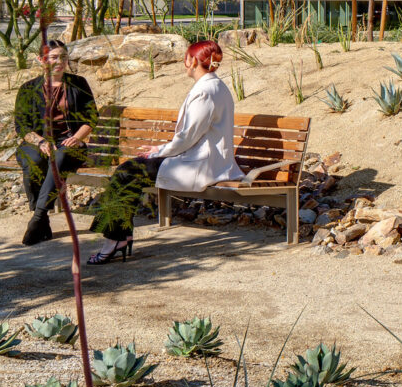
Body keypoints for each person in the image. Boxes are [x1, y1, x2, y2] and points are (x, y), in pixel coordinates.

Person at [87, 40, 242, 264]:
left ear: (194, 61)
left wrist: (158, 150)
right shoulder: (216, 86)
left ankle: (114, 240)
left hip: (198, 164)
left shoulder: (206, 92)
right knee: (128, 173)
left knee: (126, 172)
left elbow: (188, 136)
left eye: (186, 58)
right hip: (200, 159)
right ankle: (119, 236)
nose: (184, 62)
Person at [14, 40, 98, 246]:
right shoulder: (27, 89)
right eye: (53, 57)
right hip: (38, 142)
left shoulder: (79, 83)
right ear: (41, 60)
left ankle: (38, 216)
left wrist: (77, 138)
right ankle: (42, 220)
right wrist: (41, 141)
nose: (59, 62)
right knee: (32, 159)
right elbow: (22, 126)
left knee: (59, 155)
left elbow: (91, 118)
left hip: (70, 143)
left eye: (63, 57)